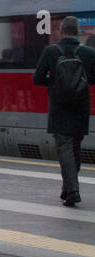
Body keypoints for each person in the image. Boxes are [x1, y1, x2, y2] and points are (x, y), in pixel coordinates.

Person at [33, 16, 95, 206]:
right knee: (74, 148)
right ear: (78, 32)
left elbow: (37, 79)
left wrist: (55, 84)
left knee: (65, 148)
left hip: (59, 106)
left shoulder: (51, 51)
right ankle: (67, 189)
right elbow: (92, 79)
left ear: (61, 31)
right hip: (80, 106)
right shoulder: (89, 53)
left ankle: (73, 190)